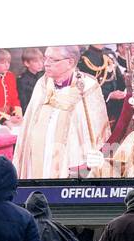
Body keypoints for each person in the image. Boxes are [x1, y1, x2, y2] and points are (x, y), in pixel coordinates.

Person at [12, 44, 110, 179]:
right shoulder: (42, 84)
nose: (46, 64)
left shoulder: (87, 87)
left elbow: (96, 134)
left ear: (70, 62)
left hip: (71, 160)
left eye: (52, 60)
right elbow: (29, 123)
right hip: (38, 157)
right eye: (45, 58)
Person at [16, 47, 45, 120]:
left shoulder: (44, 75)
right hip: (31, 114)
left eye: (41, 60)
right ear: (27, 63)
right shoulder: (22, 81)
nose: (40, 64)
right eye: (36, 61)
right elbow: (24, 104)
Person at [0, 49, 22, 124]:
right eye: (3, 62)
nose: (7, 65)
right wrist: (4, 120)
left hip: (10, 117)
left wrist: (17, 114)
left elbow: (14, 98)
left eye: (8, 62)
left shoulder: (10, 76)